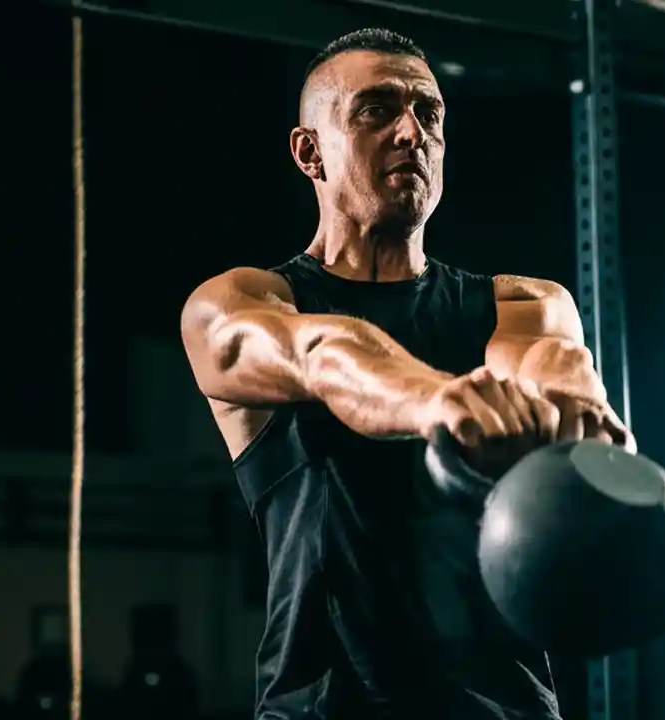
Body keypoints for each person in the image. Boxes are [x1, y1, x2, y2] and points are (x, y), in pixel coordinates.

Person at [181, 28, 634, 720]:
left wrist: (577, 422)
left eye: (429, 113)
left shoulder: (521, 306)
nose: (410, 132)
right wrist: (439, 404)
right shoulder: (238, 304)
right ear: (310, 152)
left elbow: (552, 365)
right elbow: (324, 355)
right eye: (376, 110)